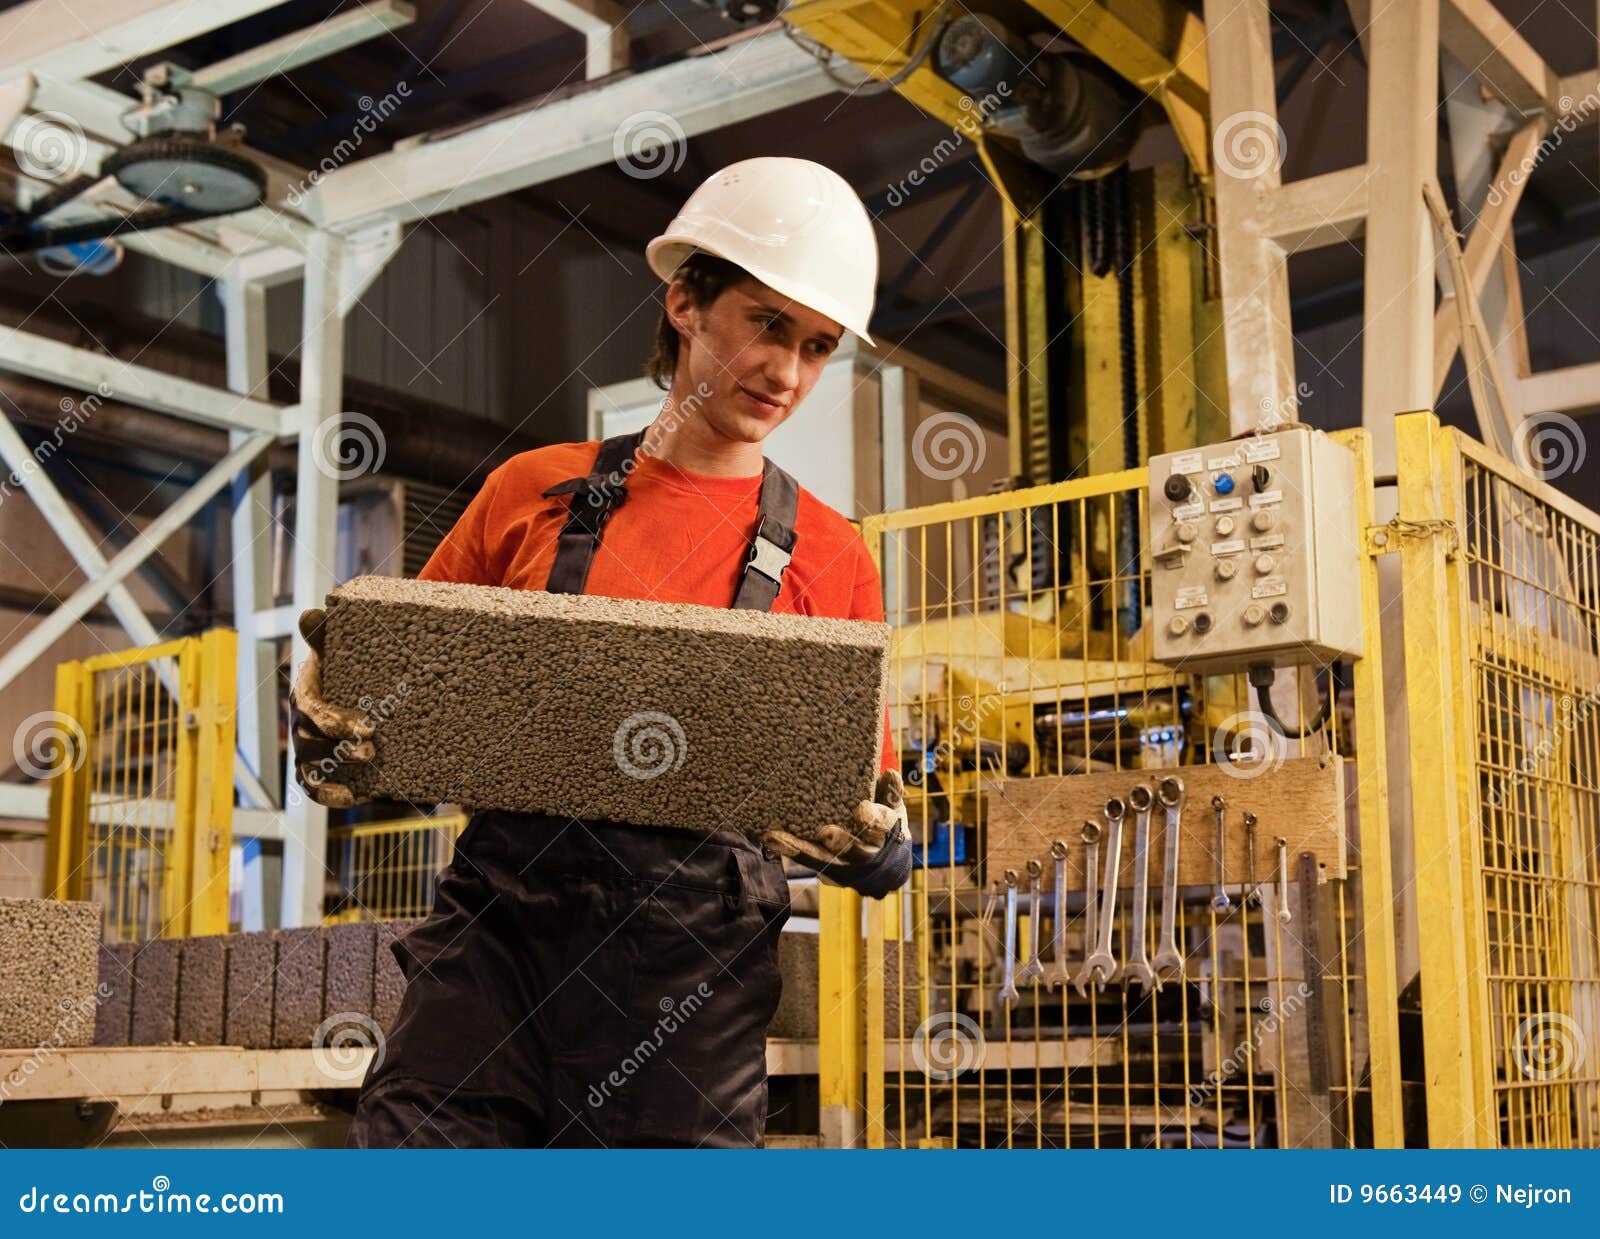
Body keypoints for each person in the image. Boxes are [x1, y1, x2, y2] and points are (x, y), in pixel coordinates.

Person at [290, 157, 912, 1148]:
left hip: (685, 988)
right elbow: (384, 709)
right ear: (684, 302)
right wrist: (332, 720)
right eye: (765, 325)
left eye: (816, 345)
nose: (786, 374)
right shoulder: (528, 492)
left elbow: (863, 799)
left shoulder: (832, 559)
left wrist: (877, 840)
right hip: (495, 946)